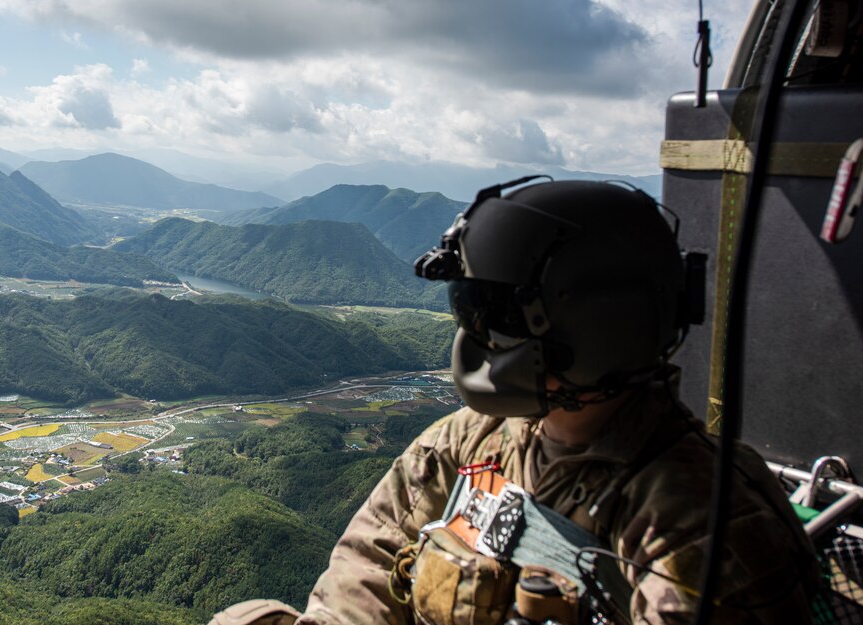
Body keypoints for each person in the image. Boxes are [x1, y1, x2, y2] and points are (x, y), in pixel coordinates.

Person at [210, 179, 819, 625]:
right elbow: (366, 572)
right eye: (469, 309)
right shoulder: (467, 443)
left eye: (492, 314)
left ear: (597, 326)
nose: (475, 335)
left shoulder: (703, 523)